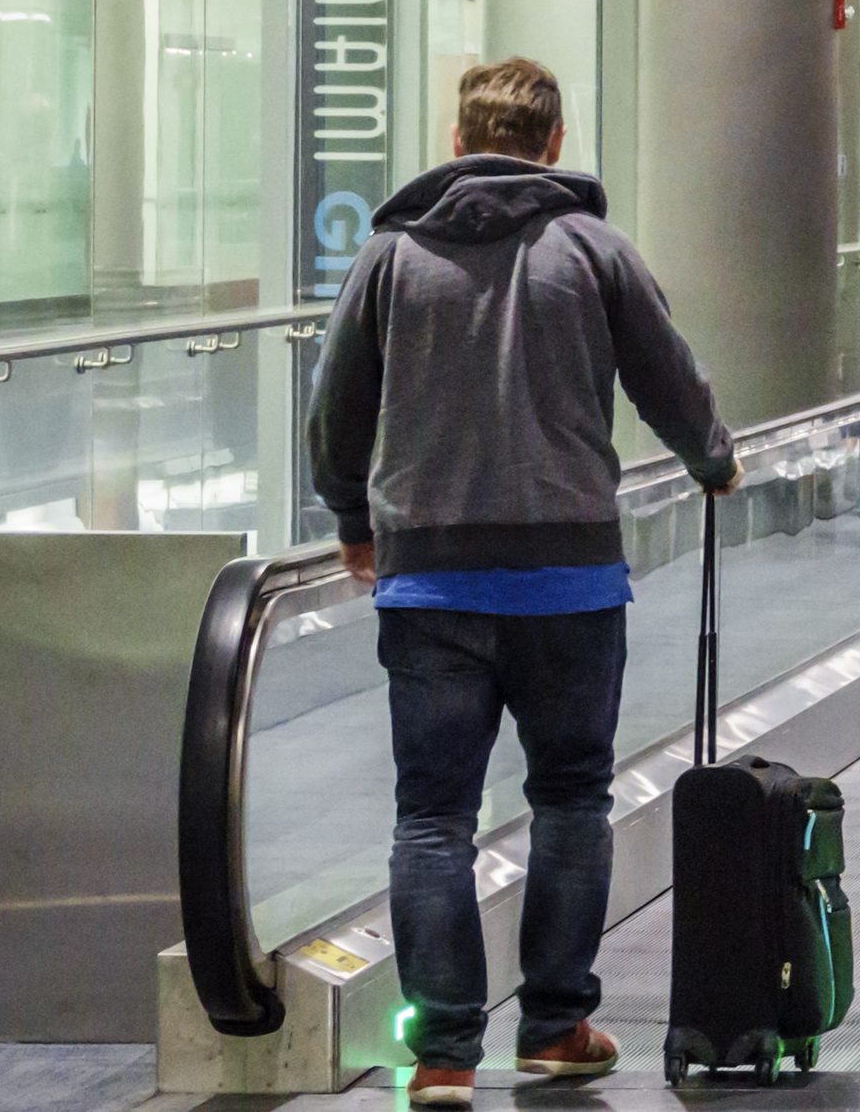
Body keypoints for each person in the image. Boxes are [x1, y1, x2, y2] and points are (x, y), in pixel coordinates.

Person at [309, 57, 736, 1110]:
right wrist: (714, 460)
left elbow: (336, 407)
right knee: (570, 801)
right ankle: (555, 1028)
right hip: (569, 579)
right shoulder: (592, 250)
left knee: (433, 819)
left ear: (459, 139)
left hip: (431, 586)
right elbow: (670, 379)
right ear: (552, 145)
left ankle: (446, 1052)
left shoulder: (391, 255)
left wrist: (354, 520)